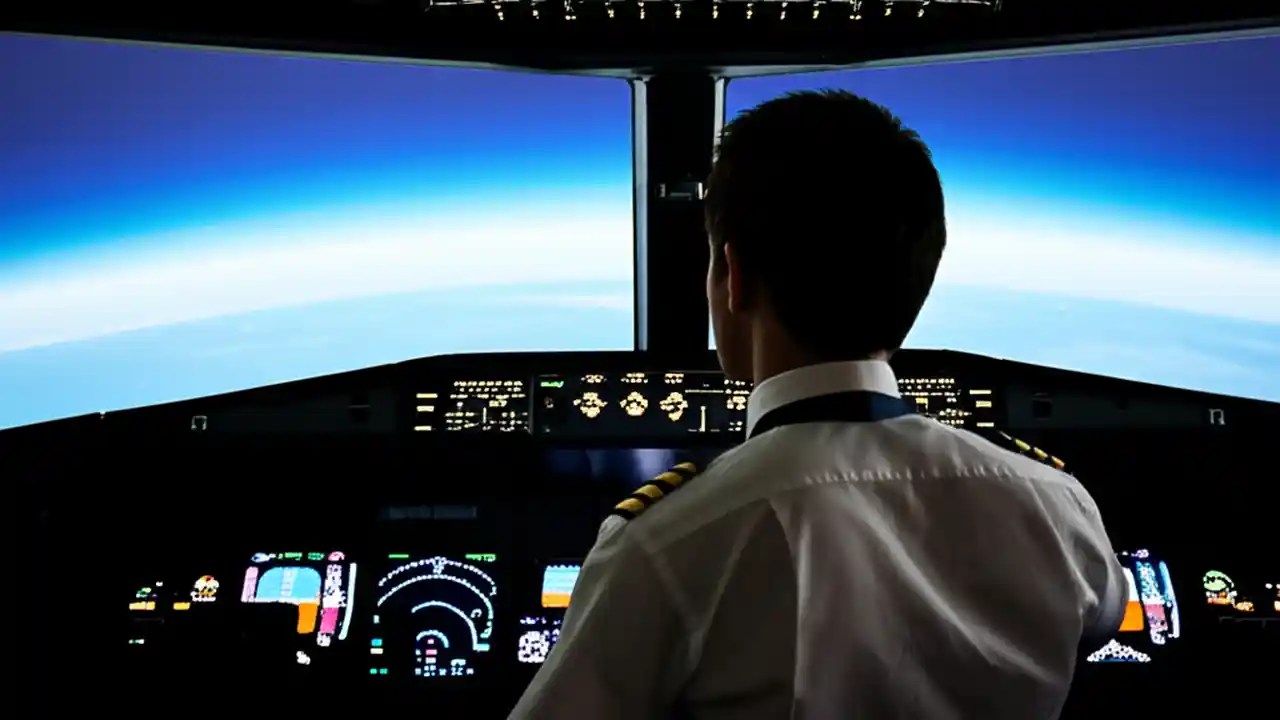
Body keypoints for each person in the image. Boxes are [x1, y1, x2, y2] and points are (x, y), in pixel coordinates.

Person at [508, 90, 1127, 719]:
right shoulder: (1057, 505)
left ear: (734, 275)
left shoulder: (666, 544)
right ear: (916, 279)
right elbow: (1101, 621)